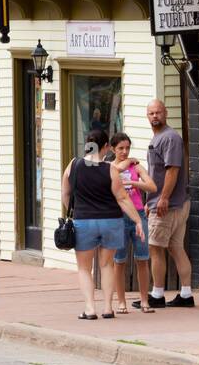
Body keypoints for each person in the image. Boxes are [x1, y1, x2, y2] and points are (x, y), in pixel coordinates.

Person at [62, 128, 146, 320]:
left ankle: (90, 309)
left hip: (84, 221)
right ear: (107, 147)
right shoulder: (110, 169)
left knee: (84, 268)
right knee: (107, 265)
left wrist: (75, 212)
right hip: (111, 221)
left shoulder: (74, 165)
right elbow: (122, 198)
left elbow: (65, 193)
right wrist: (137, 220)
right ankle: (108, 308)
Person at [139, 99, 193, 309]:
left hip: (168, 205)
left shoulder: (169, 138)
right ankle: (186, 294)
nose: (155, 116)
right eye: (151, 113)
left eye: (158, 112)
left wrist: (162, 198)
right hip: (172, 202)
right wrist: (149, 200)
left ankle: (157, 295)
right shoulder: (159, 138)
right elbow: (156, 173)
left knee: (155, 248)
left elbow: (172, 170)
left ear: (166, 113)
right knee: (176, 248)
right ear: (147, 115)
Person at [108, 132, 156, 314]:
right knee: (119, 261)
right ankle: (121, 302)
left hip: (138, 215)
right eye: (120, 148)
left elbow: (152, 186)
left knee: (142, 259)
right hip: (117, 216)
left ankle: (144, 300)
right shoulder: (109, 167)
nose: (125, 151)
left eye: (127, 148)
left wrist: (134, 183)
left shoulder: (136, 166)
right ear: (113, 149)